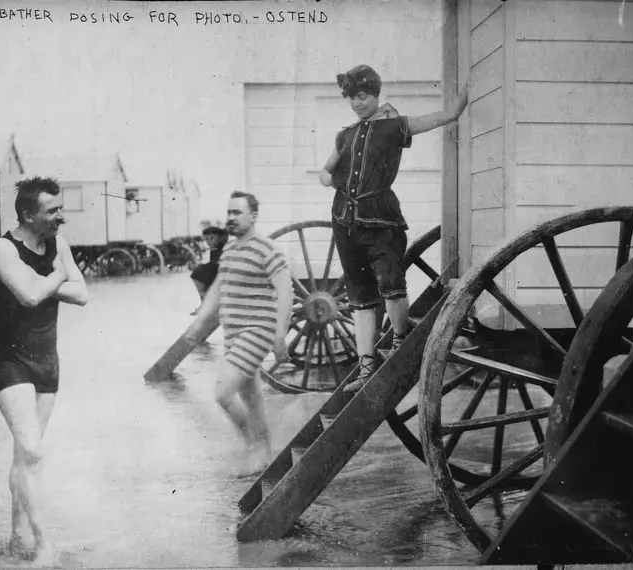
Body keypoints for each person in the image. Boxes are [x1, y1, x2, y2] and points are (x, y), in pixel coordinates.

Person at [319, 64, 468, 393]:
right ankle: (366, 367)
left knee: (391, 281)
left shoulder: (392, 126)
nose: (358, 104)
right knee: (359, 296)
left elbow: (434, 120)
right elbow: (326, 171)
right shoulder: (344, 135)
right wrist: (331, 180)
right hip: (345, 222)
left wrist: (455, 109)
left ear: (374, 94)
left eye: (363, 96)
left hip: (381, 218)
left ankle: (400, 342)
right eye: (352, 98)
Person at [0, 176, 88, 563]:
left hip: (46, 359)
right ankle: (44, 543)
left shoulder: (57, 244)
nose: (61, 217)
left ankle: (15, 535)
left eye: (60, 208)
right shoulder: (1, 249)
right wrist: (60, 274)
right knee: (32, 450)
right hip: (7, 359)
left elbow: (84, 295)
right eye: (52, 211)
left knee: (24, 457)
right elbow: (28, 296)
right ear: (28, 214)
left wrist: (49, 280)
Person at [186, 192, 292, 474]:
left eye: (237, 213)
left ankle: (254, 445)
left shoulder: (267, 249)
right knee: (251, 397)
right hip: (233, 333)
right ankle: (266, 452)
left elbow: (285, 291)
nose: (231, 218)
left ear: (253, 216)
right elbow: (217, 289)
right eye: (229, 212)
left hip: (257, 331)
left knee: (222, 393)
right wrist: (198, 324)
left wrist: (280, 334)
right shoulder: (230, 251)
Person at [189, 226, 228, 315]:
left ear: (220, 238)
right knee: (199, 275)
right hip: (218, 272)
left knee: (197, 275)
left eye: (212, 238)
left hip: (222, 273)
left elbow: (215, 263)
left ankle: (206, 305)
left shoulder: (221, 248)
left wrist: (198, 267)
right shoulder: (215, 248)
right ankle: (206, 304)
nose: (209, 241)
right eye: (207, 239)